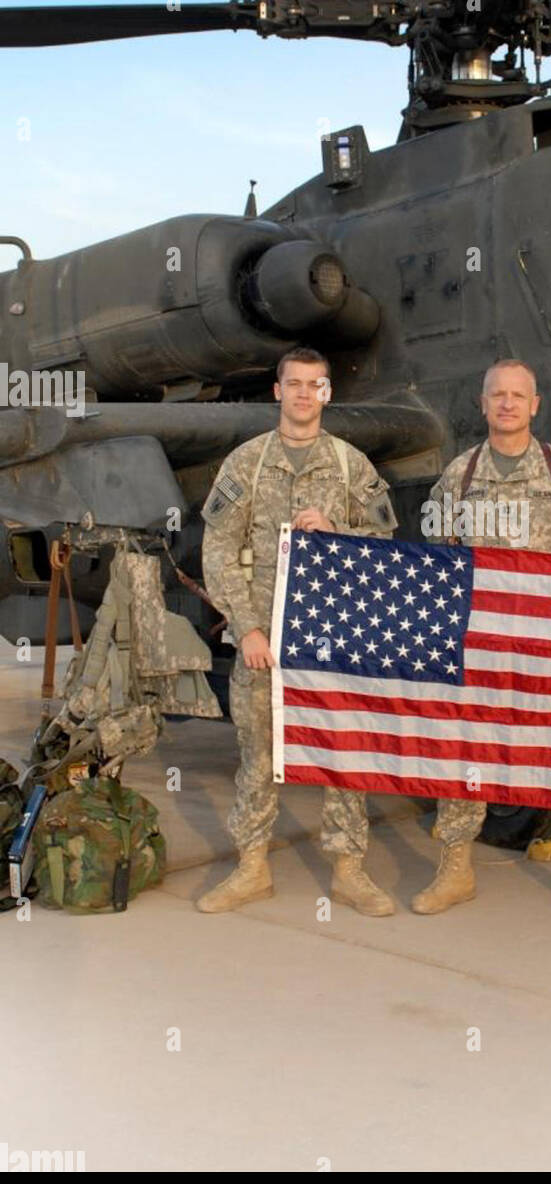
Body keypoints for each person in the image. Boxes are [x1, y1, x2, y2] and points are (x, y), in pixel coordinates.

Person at [411, 358, 551, 919]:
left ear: (535, 404)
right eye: (496, 394)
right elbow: (438, 554)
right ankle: (455, 868)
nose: (507, 403)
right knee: (466, 752)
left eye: (517, 395)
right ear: (482, 404)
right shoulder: (460, 475)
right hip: (480, 641)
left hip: (547, 642)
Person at [197, 346, 399, 917]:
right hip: (264, 642)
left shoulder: (349, 465)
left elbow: (385, 546)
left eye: (316, 384)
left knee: (343, 750)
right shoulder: (246, 464)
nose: (305, 393)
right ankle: (251, 867)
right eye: (295, 383)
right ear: (277, 391)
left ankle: (349, 870)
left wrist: (338, 530)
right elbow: (216, 549)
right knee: (257, 756)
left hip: (333, 637)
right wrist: (248, 628)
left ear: (328, 394)